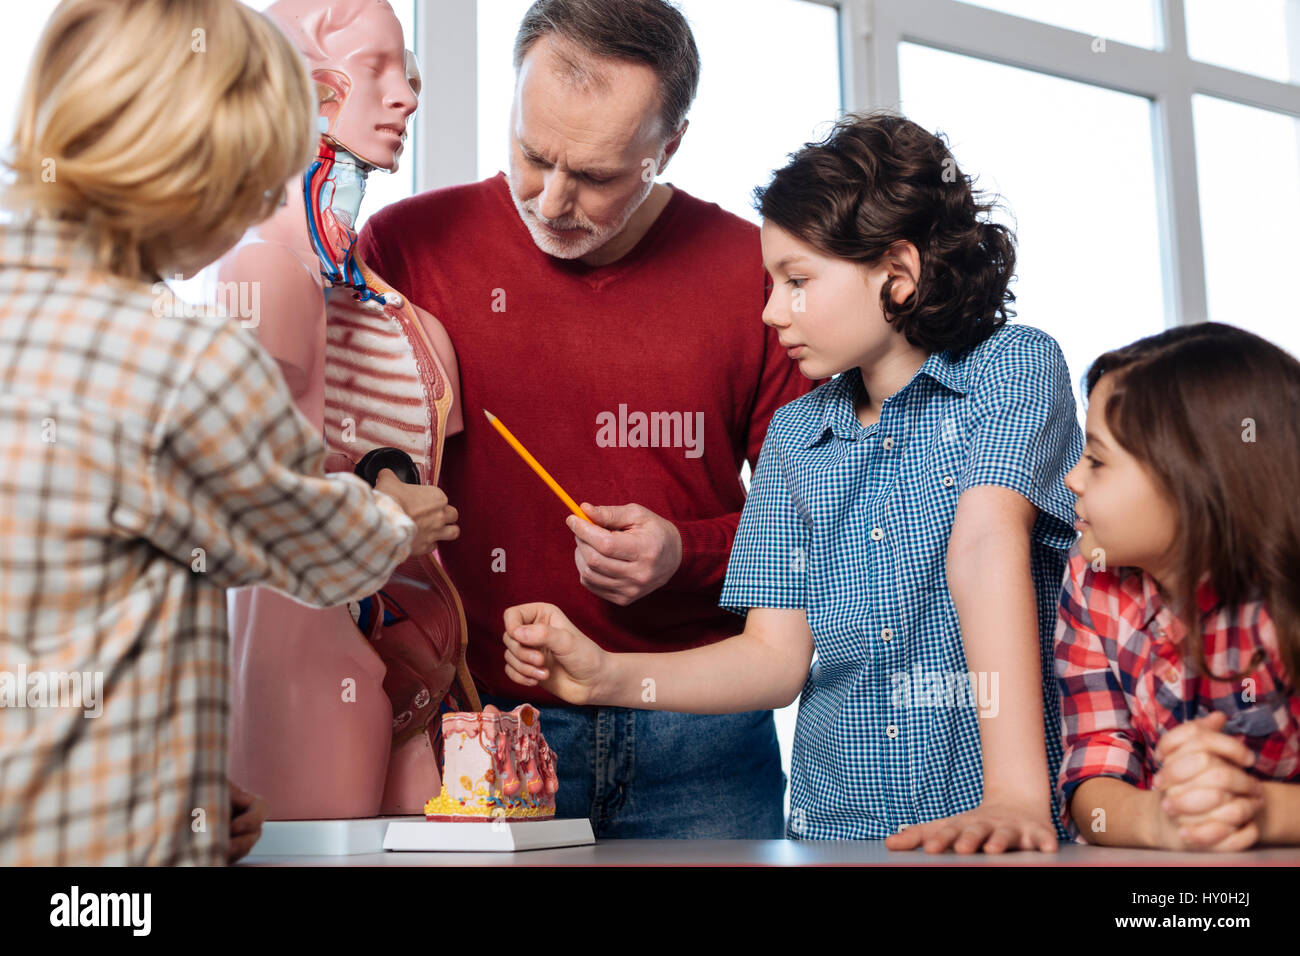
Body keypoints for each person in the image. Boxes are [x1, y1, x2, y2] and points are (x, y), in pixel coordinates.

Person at [502, 112, 1084, 850]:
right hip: (834, 834)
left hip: (994, 823)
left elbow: (983, 547)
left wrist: (1014, 798)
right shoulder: (795, 435)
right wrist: (606, 677)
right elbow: (774, 658)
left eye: (797, 281)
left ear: (897, 275)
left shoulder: (1013, 368)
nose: (773, 312)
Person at [0, 0, 453, 865]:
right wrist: (392, 514)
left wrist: (183, 781)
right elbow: (310, 548)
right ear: (196, 174)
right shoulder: (188, 359)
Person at [357, 0, 813, 838]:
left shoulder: (757, 276)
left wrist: (684, 551)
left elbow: (816, 519)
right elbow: (335, 455)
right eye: (533, 155)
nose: (551, 199)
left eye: (597, 176)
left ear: (668, 146)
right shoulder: (403, 247)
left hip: (702, 738)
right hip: (473, 723)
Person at [1057, 322, 1300, 850]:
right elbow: (1093, 769)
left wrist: (1260, 811)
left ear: (1195, 481)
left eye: (1096, 460)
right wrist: (1160, 820)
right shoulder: (1090, 580)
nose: (1073, 479)